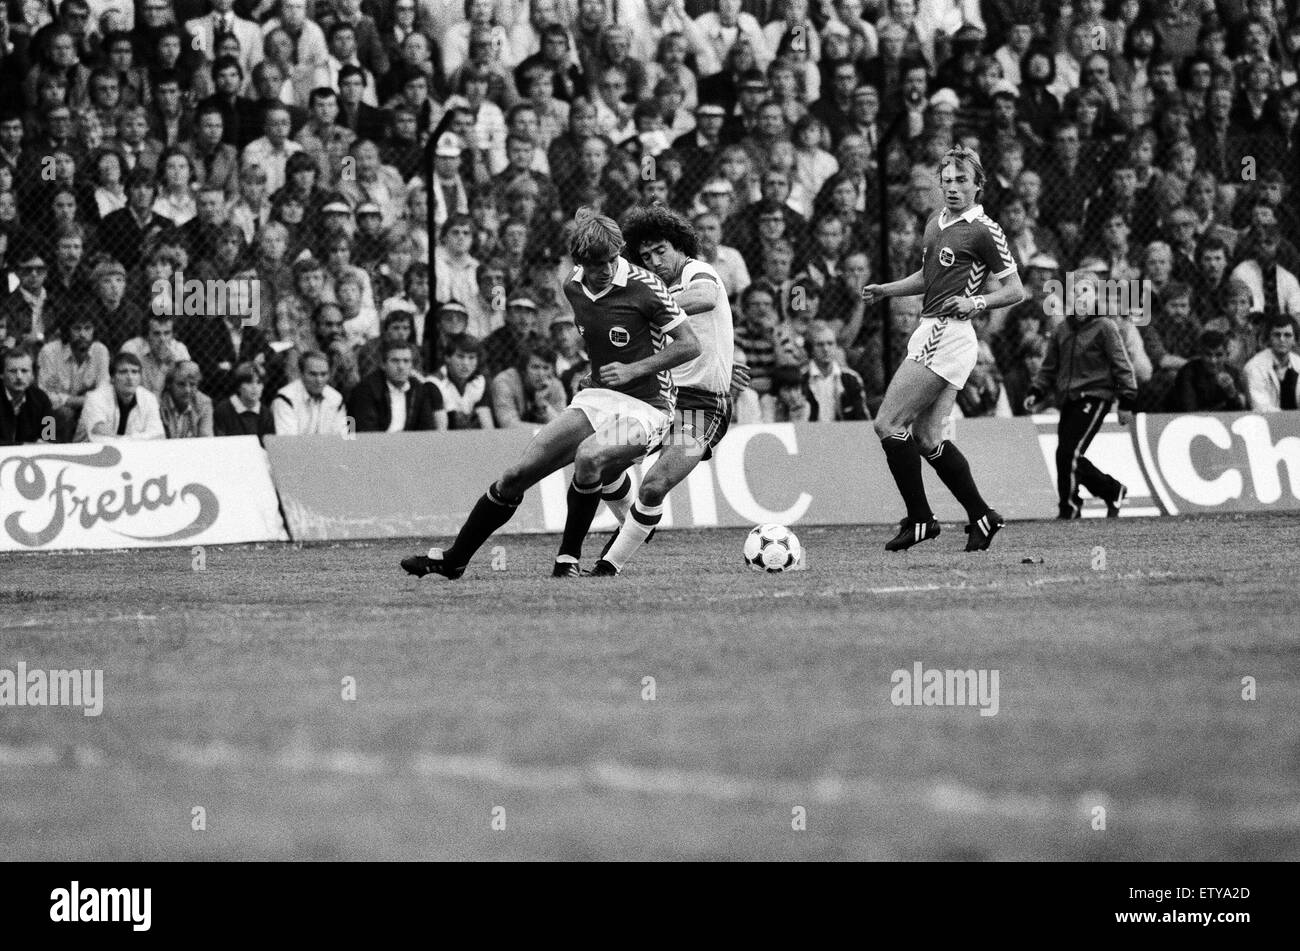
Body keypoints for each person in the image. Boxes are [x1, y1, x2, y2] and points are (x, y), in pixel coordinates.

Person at [401, 207, 700, 580]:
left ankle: (567, 560)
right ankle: (454, 560)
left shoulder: (646, 287)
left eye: (611, 259)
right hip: (599, 398)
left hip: (648, 408)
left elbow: (690, 345)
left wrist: (632, 370)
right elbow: (606, 338)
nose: (605, 269)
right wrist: (596, 373)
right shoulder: (573, 286)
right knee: (517, 474)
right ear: (579, 262)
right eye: (595, 263)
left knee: (590, 457)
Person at [861, 146, 1026, 551]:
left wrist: (976, 302)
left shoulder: (985, 230)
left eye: (961, 180)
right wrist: (887, 289)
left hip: (948, 334)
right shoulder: (936, 223)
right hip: (931, 329)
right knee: (928, 437)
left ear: (978, 185)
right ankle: (983, 517)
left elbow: (1016, 289)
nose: (952, 188)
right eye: (947, 180)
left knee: (887, 423)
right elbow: (927, 275)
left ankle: (921, 519)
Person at [581, 203, 743, 576]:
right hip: (656, 403)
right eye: (646, 255)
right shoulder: (649, 288)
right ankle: (632, 524)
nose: (654, 260)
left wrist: (649, 309)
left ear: (680, 245)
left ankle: (609, 566)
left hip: (701, 409)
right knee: (601, 460)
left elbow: (705, 298)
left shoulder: (695, 270)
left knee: (653, 485)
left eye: (661, 250)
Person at [1024, 271, 1137, 520]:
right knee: (1066, 453)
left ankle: (1069, 508)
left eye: (1086, 291)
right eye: (1075, 291)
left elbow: (1122, 365)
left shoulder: (1105, 327)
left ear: (1096, 296)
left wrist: (1127, 401)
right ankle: (1112, 490)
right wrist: (1037, 389)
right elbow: (1050, 366)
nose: (1080, 296)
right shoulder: (1062, 329)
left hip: (1096, 396)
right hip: (1069, 399)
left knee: (1068, 452)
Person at [345, 340, 440, 432]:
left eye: (406, 361)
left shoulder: (418, 389)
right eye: (395, 361)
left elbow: (427, 430)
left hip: (409, 446)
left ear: (412, 365)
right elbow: (368, 432)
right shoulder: (366, 390)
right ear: (383, 365)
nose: (401, 367)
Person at [75, 351, 165, 442]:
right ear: (112, 378)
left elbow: (158, 435)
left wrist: (126, 440)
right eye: (123, 372)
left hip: (130, 452)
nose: (130, 377)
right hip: (89, 453)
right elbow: (99, 433)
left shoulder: (149, 398)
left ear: (140, 377)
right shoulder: (95, 398)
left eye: (134, 372)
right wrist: (136, 439)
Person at [1166, 330, 1247, 412]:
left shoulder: (1233, 373)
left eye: (1219, 355)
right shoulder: (1188, 373)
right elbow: (1189, 412)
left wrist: (1231, 392)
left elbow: (1239, 413)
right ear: (1200, 354)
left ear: (1226, 355)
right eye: (1208, 354)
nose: (1213, 361)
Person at [272, 350, 349, 435]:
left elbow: (342, 438)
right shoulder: (285, 399)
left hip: (327, 447)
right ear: (301, 374)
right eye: (313, 374)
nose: (319, 380)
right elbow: (288, 442)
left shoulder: (336, 398)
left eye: (323, 374)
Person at [1242, 315, 1300, 412]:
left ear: (1295, 340)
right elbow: (1261, 408)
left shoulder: (1298, 363)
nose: (1282, 339)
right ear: (1269, 338)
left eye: (1287, 335)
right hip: (1266, 424)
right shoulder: (1254, 367)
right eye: (1277, 335)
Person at [0, 348, 54, 445]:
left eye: (24, 371)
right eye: (12, 371)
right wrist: (23, 445)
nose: (19, 376)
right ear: (2, 374)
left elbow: (50, 436)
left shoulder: (42, 398)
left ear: (32, 375)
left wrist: (45, 443)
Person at [213, 361, 275, 439]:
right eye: (249, 382)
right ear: (239, 386)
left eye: (259, 383)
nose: (255, 387)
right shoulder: (223, 410)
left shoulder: (266, 414)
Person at [159, 360, 215, 438]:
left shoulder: (204, 403)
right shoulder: (158, 403)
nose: (187, 390)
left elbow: (206, 440)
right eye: (181, 384)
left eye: (192, 384)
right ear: (169, 384)